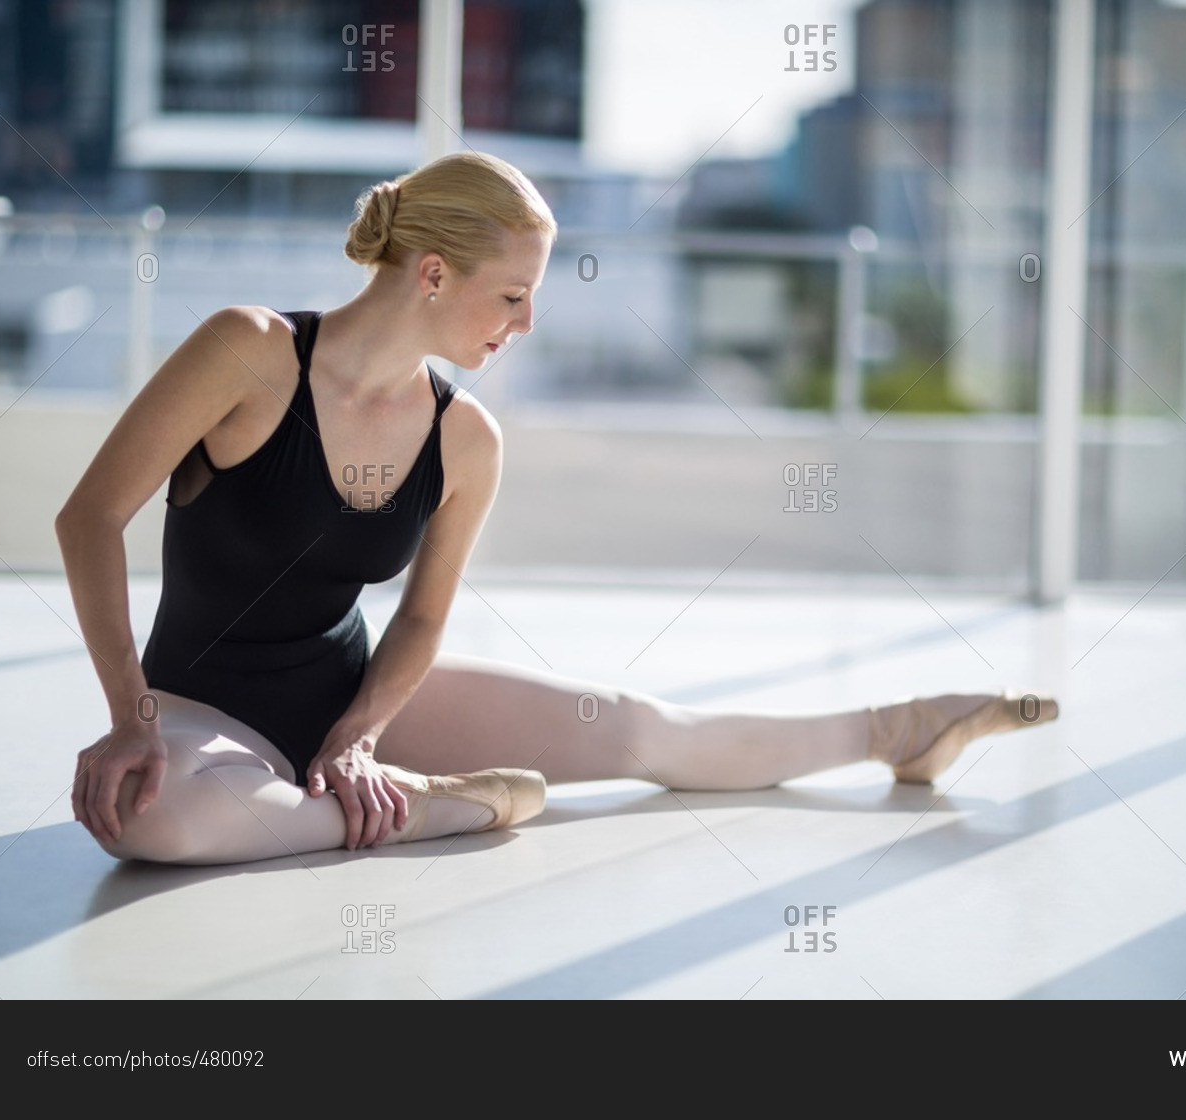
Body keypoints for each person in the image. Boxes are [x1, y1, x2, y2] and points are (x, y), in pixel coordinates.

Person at [56, 151, 1058, 867]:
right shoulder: (248, 350)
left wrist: (360, 733)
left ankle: (901, 728)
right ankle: (438, 813)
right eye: (512, 295)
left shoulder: (466, 438)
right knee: (162, 824)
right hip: (195, 708)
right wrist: (129, 715)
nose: (528, 322)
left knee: (642, 730)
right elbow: (89, 516)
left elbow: (424, 618)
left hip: (349, 694)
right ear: (435, 271)